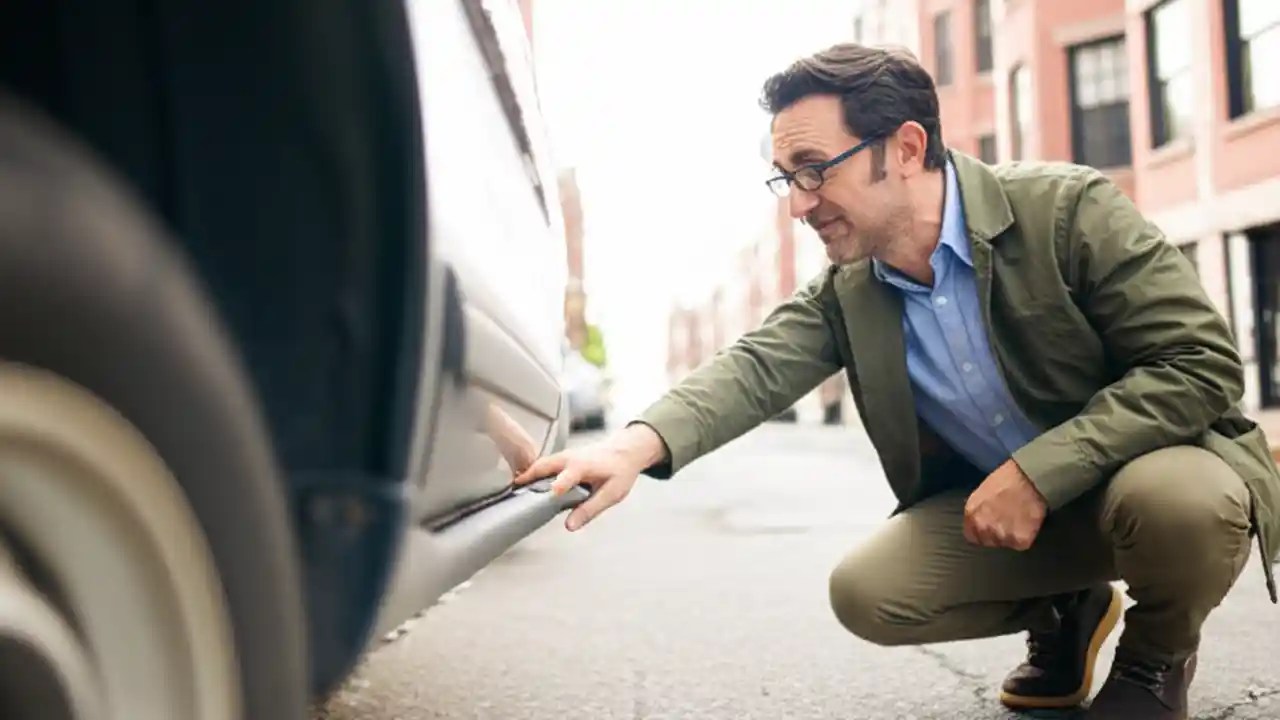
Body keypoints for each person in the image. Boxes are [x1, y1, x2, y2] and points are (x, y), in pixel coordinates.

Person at [515, 43, 1279, 719]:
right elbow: (752, 368)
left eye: (814, 171)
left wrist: (1039, 474)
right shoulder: (850, 289)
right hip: (1012, 517)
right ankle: (1066, 611)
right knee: (870, 594)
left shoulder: (1067, 208)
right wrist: (627, 451)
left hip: (1138, 484)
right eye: (786, 180)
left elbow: (1200, 363)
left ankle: (1153, 663)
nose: (801, 204)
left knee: (1183, 504)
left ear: (906, 147)